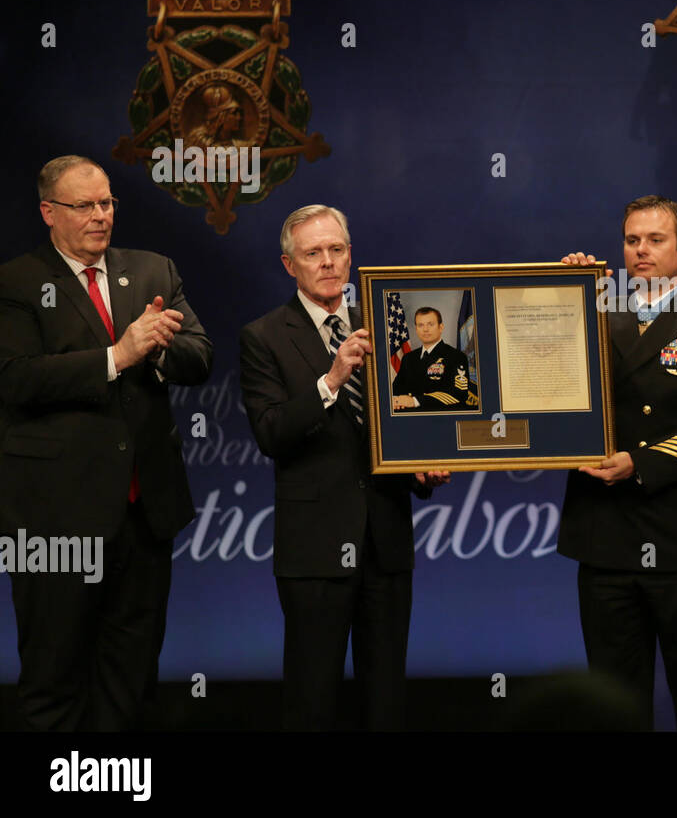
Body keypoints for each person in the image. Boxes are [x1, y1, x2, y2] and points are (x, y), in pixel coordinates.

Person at [0, 155, 212, 730]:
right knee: (55, 678)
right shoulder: (16, 283)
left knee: (131, 678)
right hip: (56, 522)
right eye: (85, 205)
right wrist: (118, 356)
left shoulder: (151, 271)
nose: (101, 215)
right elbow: (15, 378)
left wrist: (161, 345)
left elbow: (200, 356)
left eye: (108, 202)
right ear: (49, 212)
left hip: (143, 517)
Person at [238, 204, 448, 731]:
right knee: (313, 701)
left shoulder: (389, 323)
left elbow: (412, 421)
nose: (328, 262)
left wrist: (421, 469)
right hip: (314, 551)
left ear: (350, 255)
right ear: (290, 264)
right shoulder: (263, 337)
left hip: (386, 543)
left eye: (337, 250)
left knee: (386, 701)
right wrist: (330, 380)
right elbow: (272, 433)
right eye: (313, 253)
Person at [560, 195, 677, 730]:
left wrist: (638, 464)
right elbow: (543, 370)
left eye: (655, 240)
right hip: (605, 538)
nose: (640, 250)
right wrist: (563, 295)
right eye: (631, 240)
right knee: (613, 708)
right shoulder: (592, 311)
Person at [391, 306, 477, 411]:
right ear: (416, 329)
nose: (425, 329)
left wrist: (415, 401)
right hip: (408, 419)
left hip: (440, 419)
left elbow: (458, 394)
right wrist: (397, 401)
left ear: (441, 327)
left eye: (430, 324)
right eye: (420, 325)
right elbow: (395, 390)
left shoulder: (455, 356)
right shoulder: (408, 358)